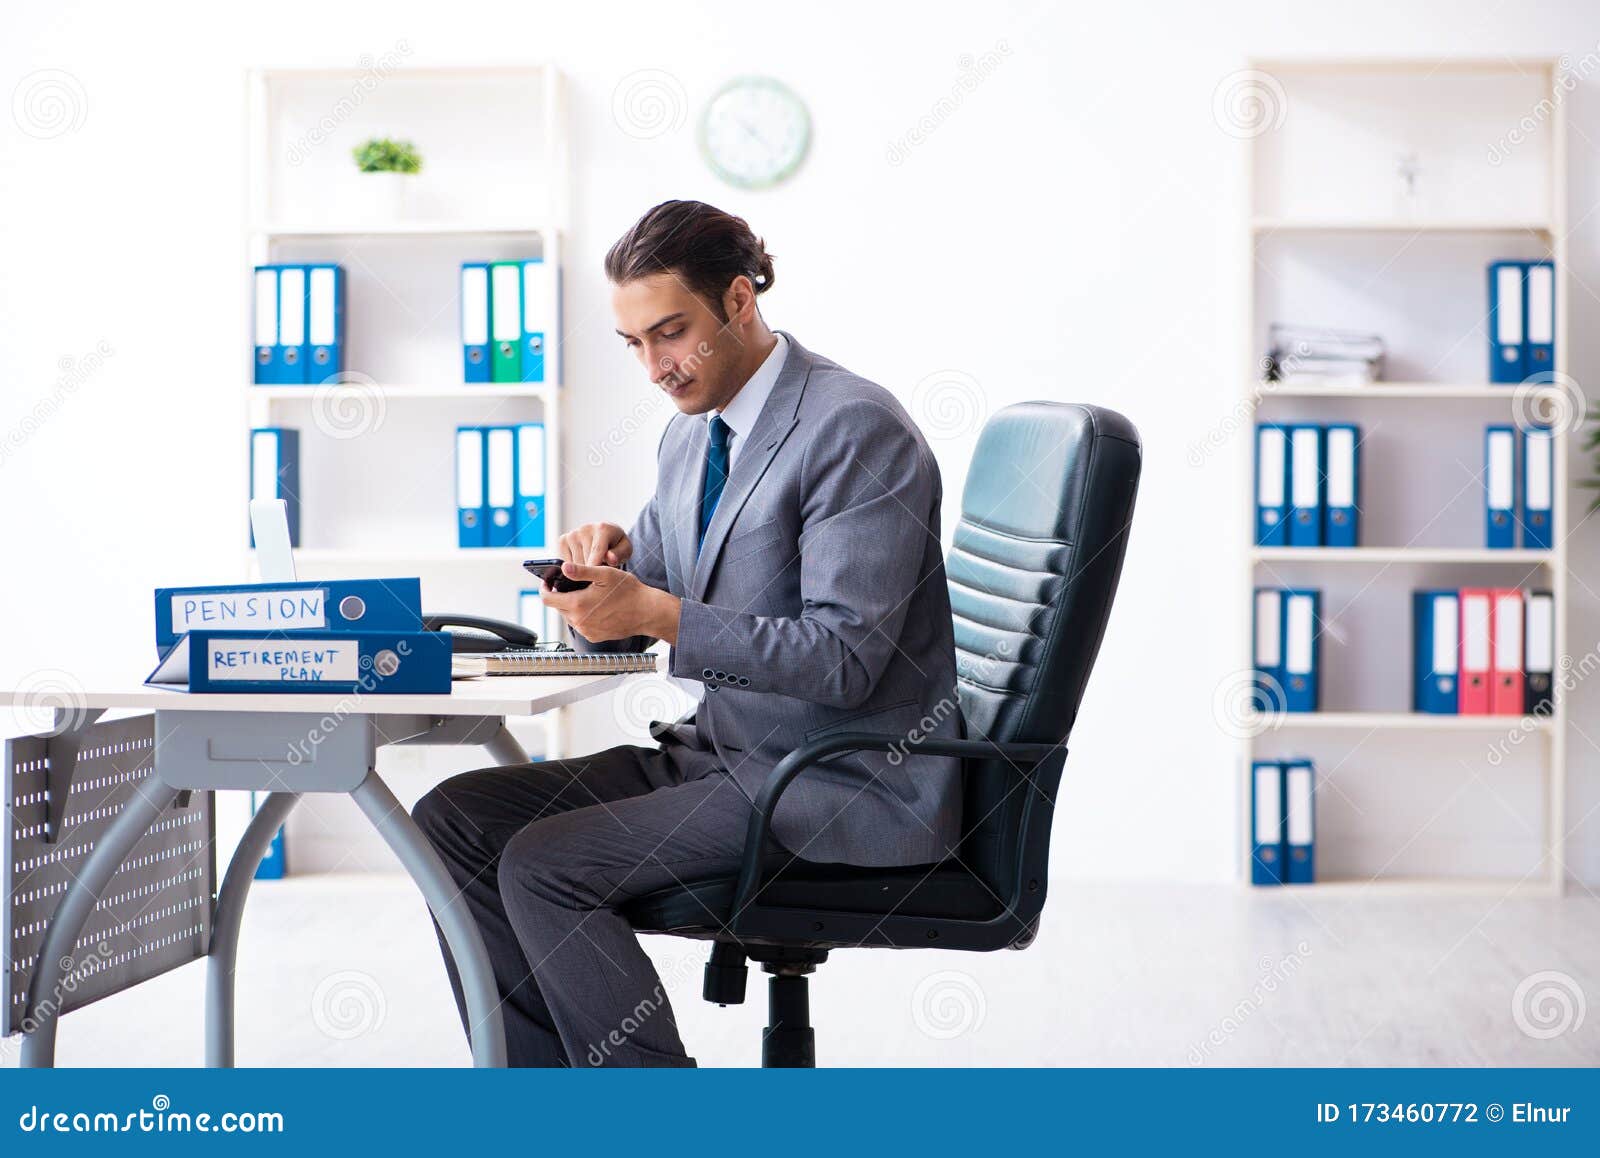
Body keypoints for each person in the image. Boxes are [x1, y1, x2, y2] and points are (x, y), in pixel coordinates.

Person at [412, 199, 960, 1067]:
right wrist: (601, 579)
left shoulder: (853, 429)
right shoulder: (689, 438)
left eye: (670, 333)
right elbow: (641, 609)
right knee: (453, 820)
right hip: (721, 756)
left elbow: (849, 661)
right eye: (634, 344)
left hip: (835, 777)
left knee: (547, 864)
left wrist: (656, 612)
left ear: (740, 301)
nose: (655, 367)